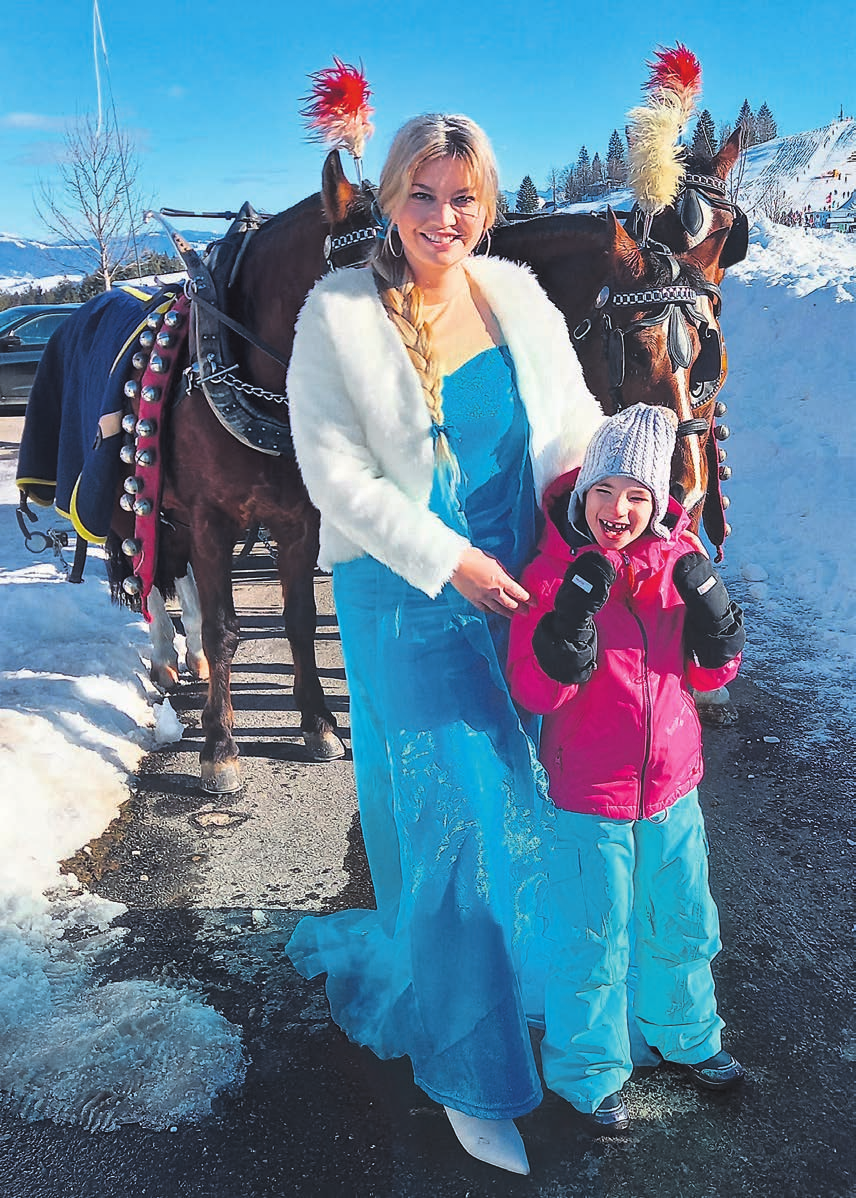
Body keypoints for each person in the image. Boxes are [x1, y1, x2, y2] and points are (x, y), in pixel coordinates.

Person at [284, 113, 604, 1175]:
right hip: (405, 593)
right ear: (387, 198)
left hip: (521, 591)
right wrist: (447, 560)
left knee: (530, 803)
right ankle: (469, 1073)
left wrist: (615, 498)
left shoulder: (515, 296)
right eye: (422, 194)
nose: (442, 216)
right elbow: (336, 475)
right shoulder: (336, 314)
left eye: (462, 196)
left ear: (488, 206)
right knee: (460, 817)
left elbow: (573, 423)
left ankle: (526, 999)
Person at [507, 404, 747, 1134]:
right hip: (588, 795)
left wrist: (719, 623)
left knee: (681, 921)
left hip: (674, 789)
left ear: (657, 502)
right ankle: (587, 1072)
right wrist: (563, 634)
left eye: (638, 495)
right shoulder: (552, 574)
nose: (620, 509)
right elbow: (532, 688)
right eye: (606, 490)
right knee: (592, 933)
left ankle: (688, 1038)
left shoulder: (678, 568)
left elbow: (712, 678)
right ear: (583, 496)